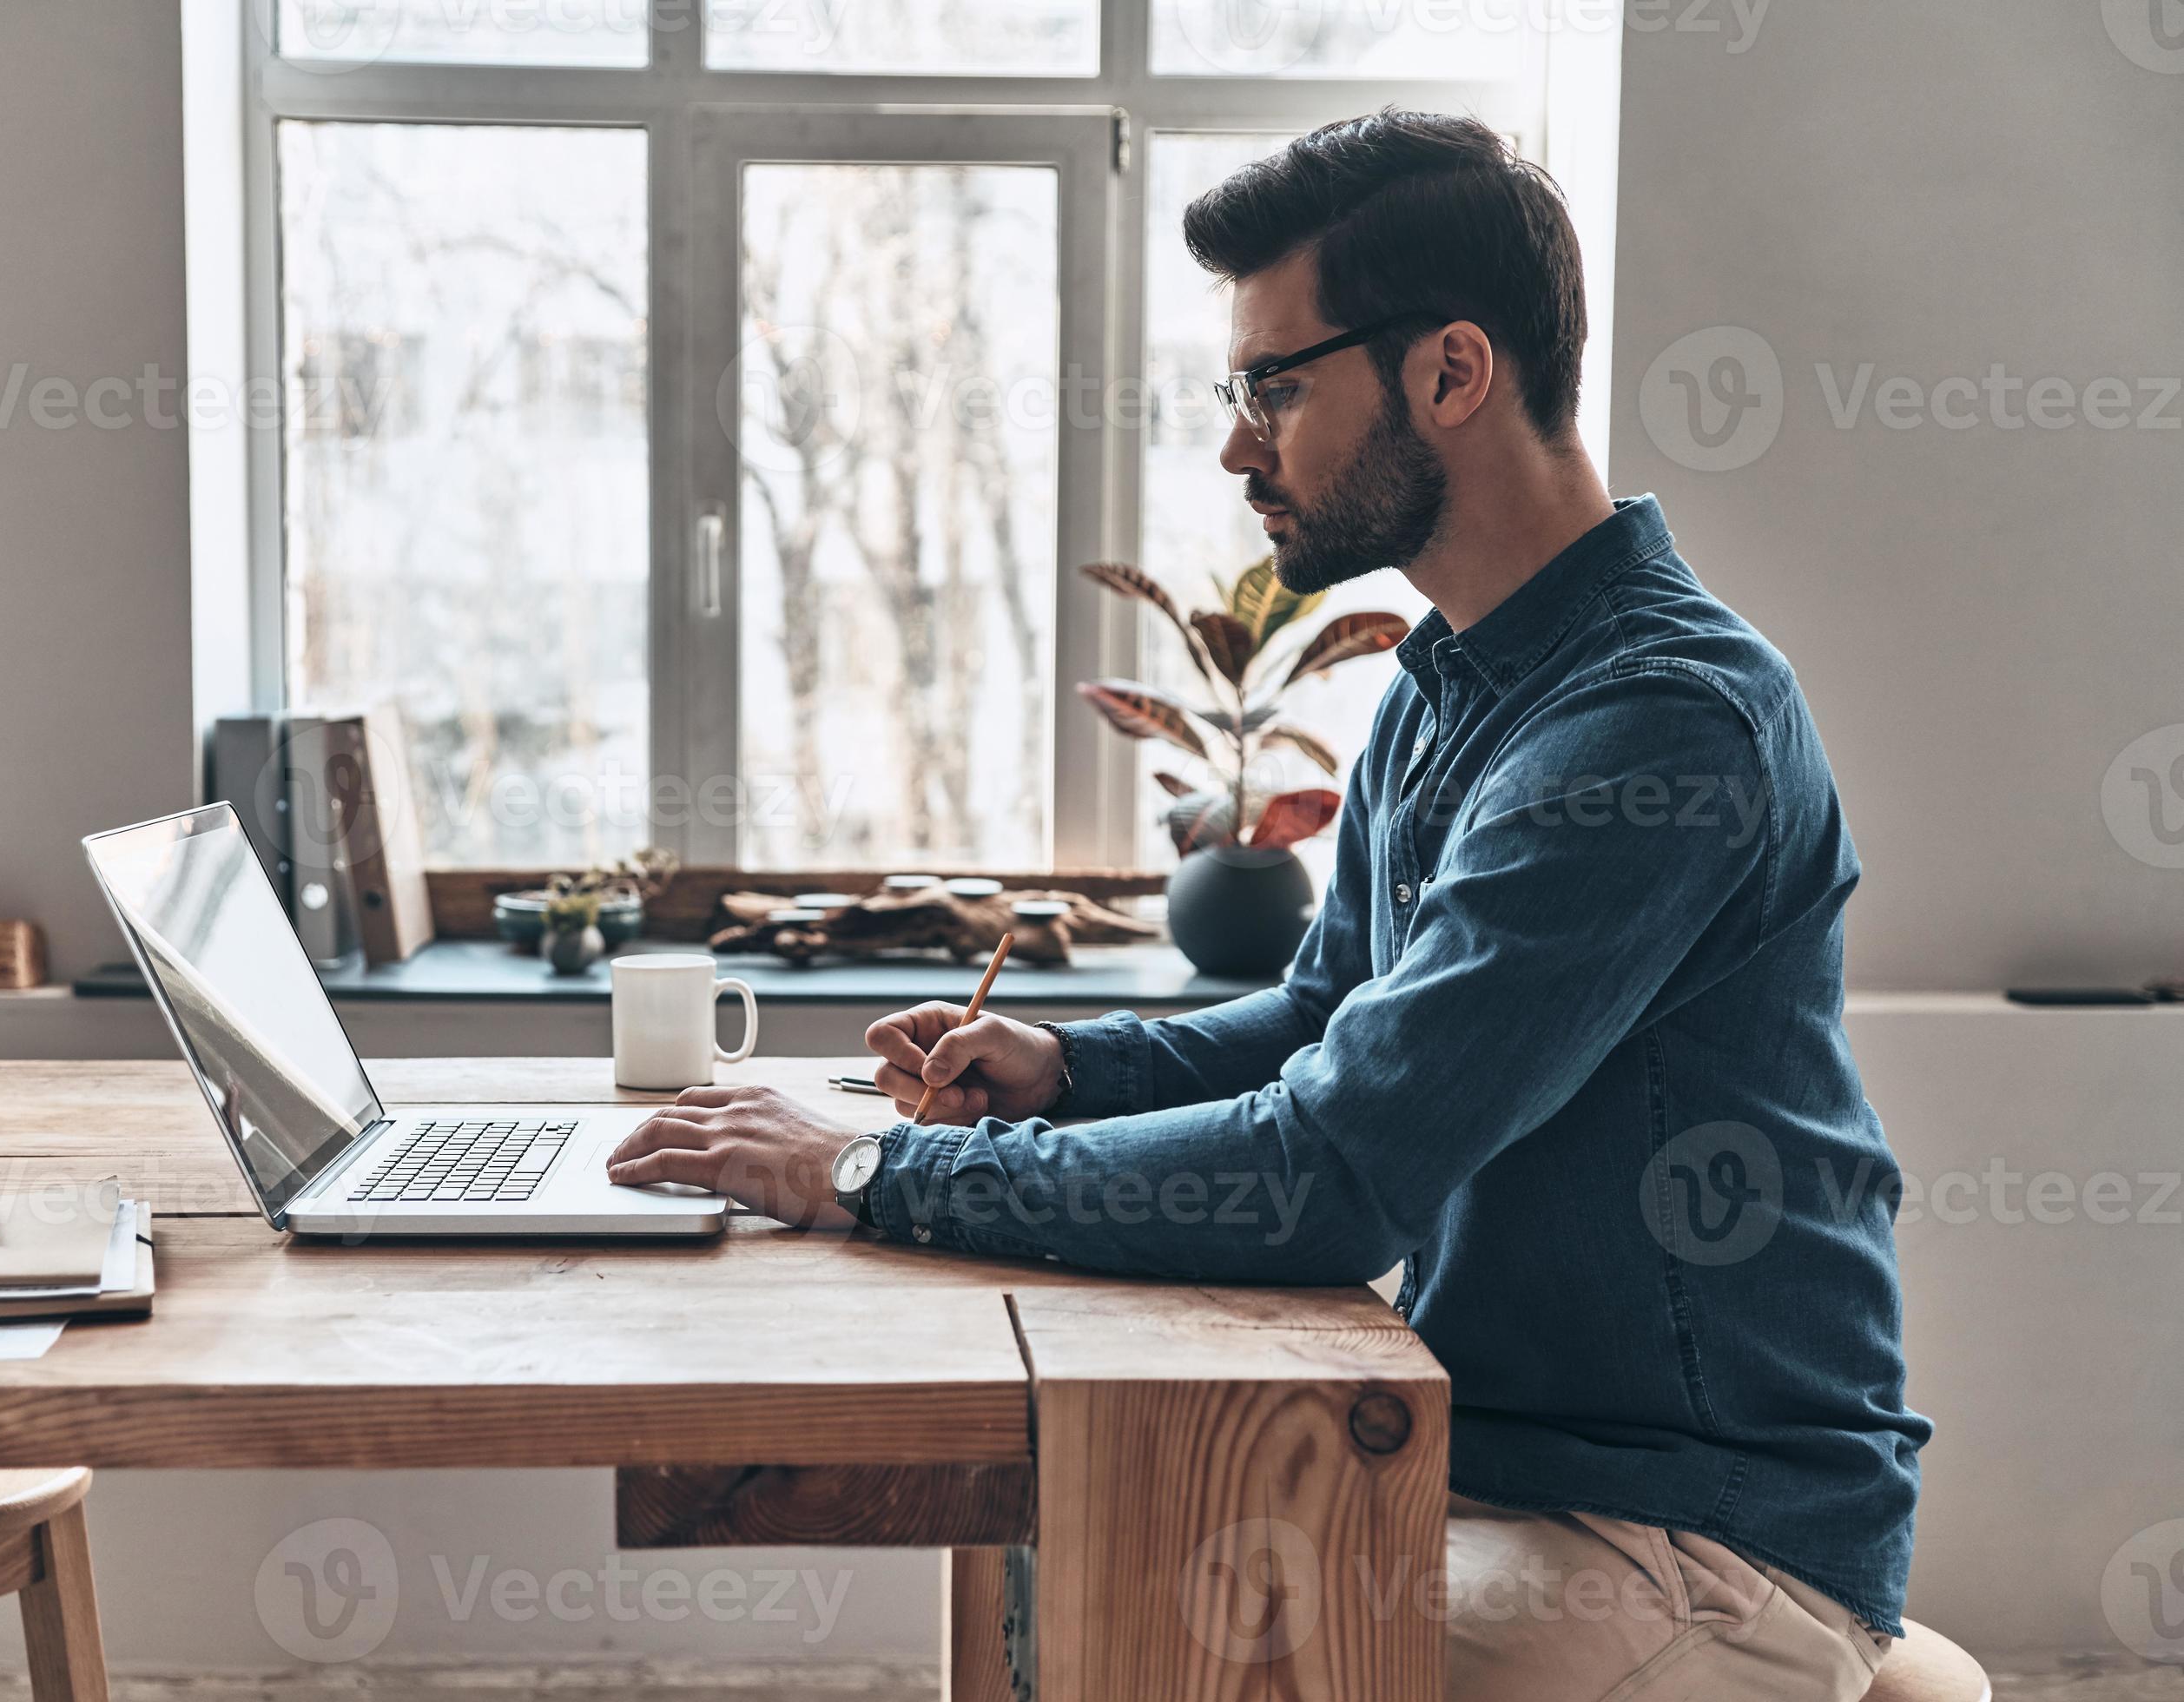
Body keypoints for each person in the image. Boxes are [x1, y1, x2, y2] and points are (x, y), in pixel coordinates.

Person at [607, 109, 1927, 1702]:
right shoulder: (1456, 681)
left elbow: (1333, 1173)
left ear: (1451, 373)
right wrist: (1072, 1068)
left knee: (1127, 1627)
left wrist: (876, 1169)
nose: (1240, 448)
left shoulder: (1656, 722)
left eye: (1275, 388)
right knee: (1063, 1548)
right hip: (1492, 1457)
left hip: (1691, 1538)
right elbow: (1326, 1020)